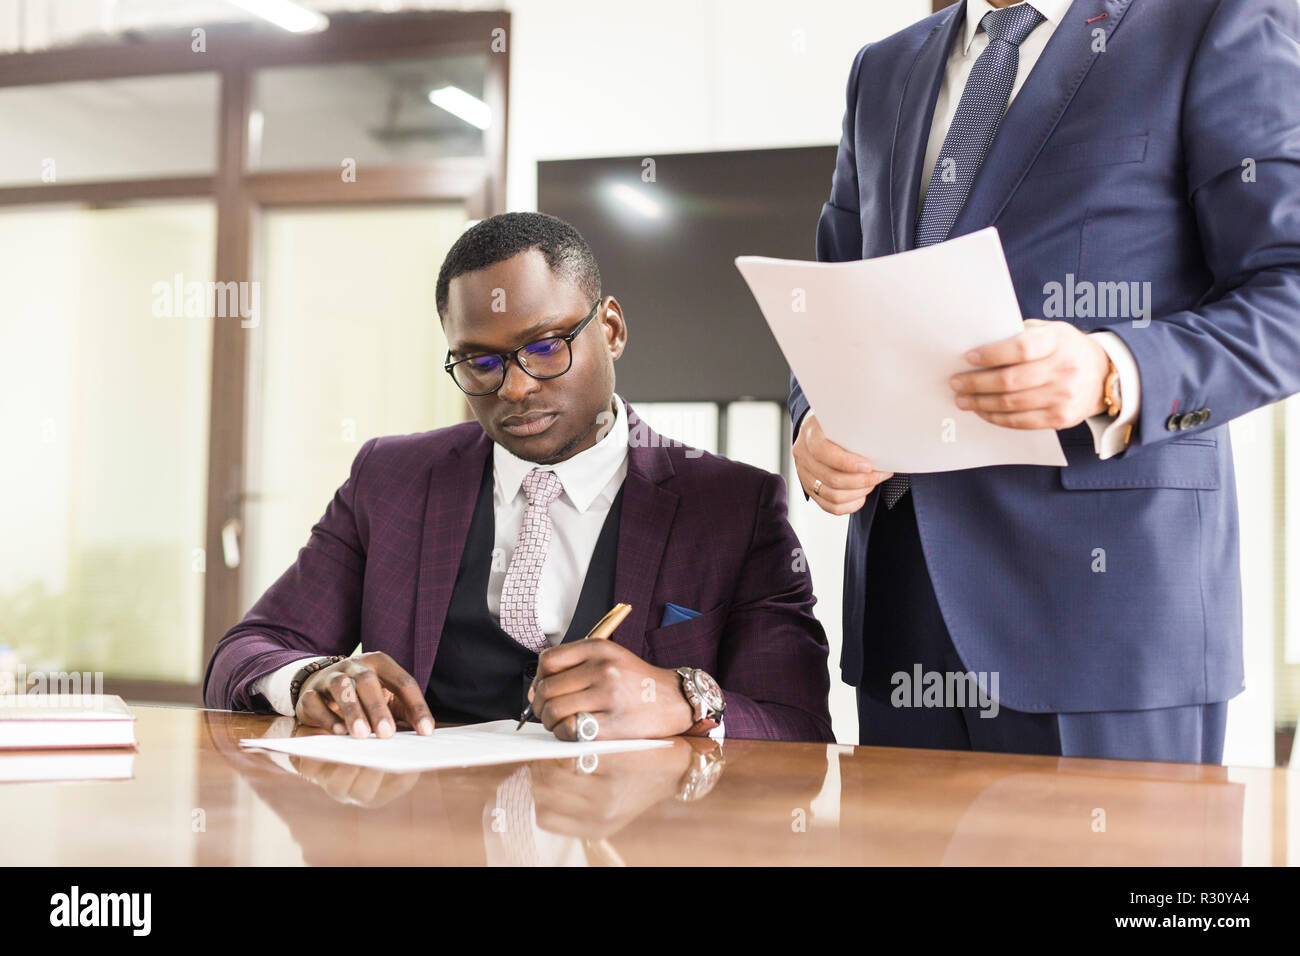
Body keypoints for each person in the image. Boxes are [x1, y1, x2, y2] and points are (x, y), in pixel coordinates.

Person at [790, 0, 1300, 762]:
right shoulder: (883, 67)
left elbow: (1287, 288)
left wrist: (1114, 372)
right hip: (904, 622)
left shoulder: (1213, 21)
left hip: (1109, 630)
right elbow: (832, 295)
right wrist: (812, 419)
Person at [206, 212, 833, 744]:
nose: (516, 387)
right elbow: (248, 649)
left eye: (544, 346)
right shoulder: (390, 479)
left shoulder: (731, 505)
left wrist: (687, 699)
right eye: (480, 361)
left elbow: (799, 724)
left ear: (610, 329)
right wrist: (310, 677)